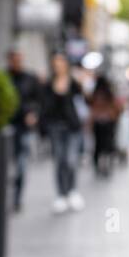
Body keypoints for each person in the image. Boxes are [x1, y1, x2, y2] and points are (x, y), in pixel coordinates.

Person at [40, 50, 86, 213]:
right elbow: (44, 106)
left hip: (72, 127)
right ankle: (61, 194)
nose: (58, 65)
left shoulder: (74, 83)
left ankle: (72, 191)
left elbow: (82, 103)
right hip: (55, 127)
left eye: (61, 62)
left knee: (71, 160)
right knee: (59, 161)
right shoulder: (48, 84)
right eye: (56, 62)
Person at [5, 49, 41, 213]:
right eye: (15, 59)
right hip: (7, 126)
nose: (18, 62)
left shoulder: (30, 79)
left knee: (21, 165)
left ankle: (17, 199)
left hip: (24, 129)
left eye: (20, 59)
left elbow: (38, 101)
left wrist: (33, 114)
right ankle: (7, 195)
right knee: (6, 165)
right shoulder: (3, 78)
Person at [87, 74, 124, 177]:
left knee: (98, 145)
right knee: (108, 144)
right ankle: (107, 164)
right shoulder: (110, 94)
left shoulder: (94, 94)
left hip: (98, 122)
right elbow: (118, 108)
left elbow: (89, 104)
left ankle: (98, 165)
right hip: (108, 122)